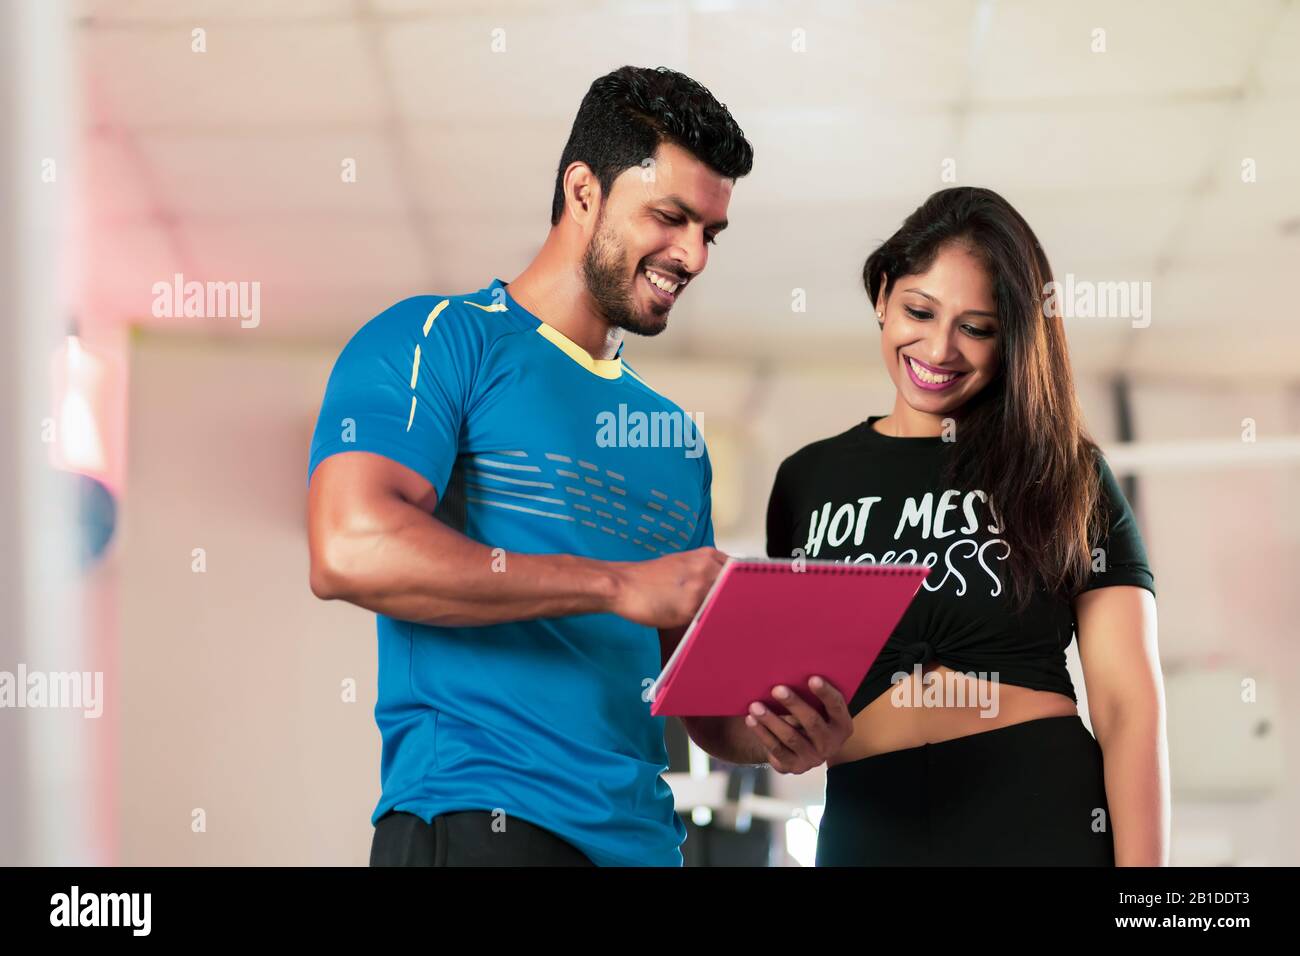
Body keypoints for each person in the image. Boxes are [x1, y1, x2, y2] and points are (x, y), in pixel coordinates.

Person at [305, 65, 853, 868]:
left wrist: (784, 734)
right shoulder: (440, 339)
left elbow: (701, 708)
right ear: (583, 190)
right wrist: (615, 583)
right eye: (669, 217)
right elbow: (348, 548)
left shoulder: (675, 440)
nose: (693, 254)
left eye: (710, 230)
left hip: (646, 846)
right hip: (482, 821)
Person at [762, 187, 1168, 865]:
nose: (940, 347)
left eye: (975, 326)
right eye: (920, 311)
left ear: (1011, 335)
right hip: (867, 822)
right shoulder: (806, 480)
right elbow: (784, 699)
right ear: (883, 295)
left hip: (1037, 810)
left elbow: (1129, 707)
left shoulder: (1065, 473)